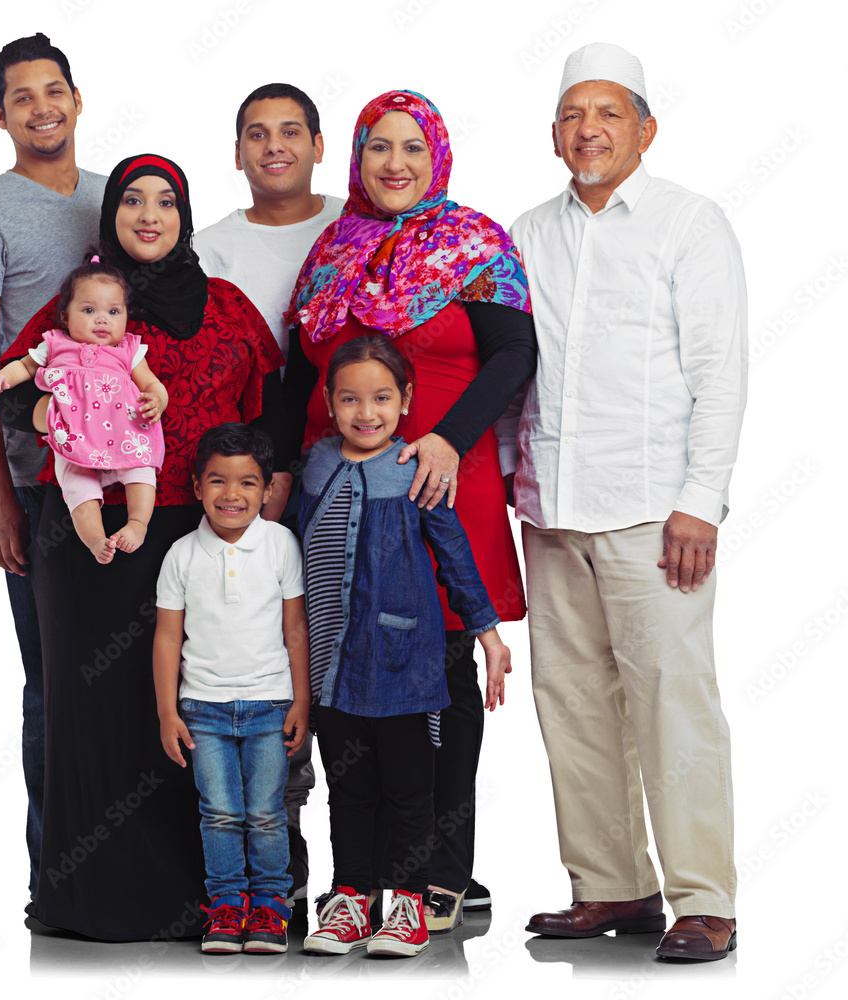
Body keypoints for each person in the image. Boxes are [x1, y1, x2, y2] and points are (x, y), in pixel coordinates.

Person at [0, 153, 286, 941]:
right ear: (111, 216)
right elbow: (14, 391)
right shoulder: (83, 303)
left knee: (194, 702)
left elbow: (274, 401)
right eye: (132, 200)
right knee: (94, 705)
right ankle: (95, 900)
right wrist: (76, 424)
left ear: (185, 215)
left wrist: (272, 479)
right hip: (89, 529)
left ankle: (212, 897)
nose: (149, 214)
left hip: (199, 528)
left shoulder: (224, 305)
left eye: (165, 201)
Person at [498, 42, 746, 961]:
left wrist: (702, 502)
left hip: (654, 512)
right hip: (551, 508)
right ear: (554, 134)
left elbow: (720, 374)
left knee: (673, 703)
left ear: (646, 128)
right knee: (572, 703)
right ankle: (612, 887)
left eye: (609, 113)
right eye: (573, 114)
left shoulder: (689, 224)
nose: (589, 129)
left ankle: (705, 899)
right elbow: (509, 369)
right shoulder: (526, 232)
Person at [285, 89, 536, 929]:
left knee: (443, 678)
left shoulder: (475, 243)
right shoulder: (332, 250)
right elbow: (301, 373)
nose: (395, 164)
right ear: (355, 159)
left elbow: (514, 355)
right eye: (378, 148)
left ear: (438, 158)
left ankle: (440, 871)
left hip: (439, 489)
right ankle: (363, 874)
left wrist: (448, 440)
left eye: (411, 149)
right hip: (337, 498)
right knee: (347, 675)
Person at [0, 32, 105, 907]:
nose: (43, 108)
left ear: (78, 100)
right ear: (0, 115)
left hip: (134, 486)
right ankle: (59, 878)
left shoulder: (120, 200)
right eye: (23, 97)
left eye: (55, 91)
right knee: (56, 680)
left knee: (130, 676)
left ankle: (139, 873)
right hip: (41, 490)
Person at [298, 336, 510, 958]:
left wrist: (488, 635)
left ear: (406, 400)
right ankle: (351, 901)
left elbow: (455, 556)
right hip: (331, 666)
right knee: (349, 789)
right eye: (351, 399)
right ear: (330, 404)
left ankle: (409, 907)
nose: (367, 412)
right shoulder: (314, 467)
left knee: (409, 790)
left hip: (402, 667)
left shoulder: (416, 468)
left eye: (382, 398)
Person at [192, 80, 344, 910]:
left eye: (292, 131)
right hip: (253, 482)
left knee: (335, 650)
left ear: (320, 145)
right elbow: (251, 374)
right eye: (256, 133)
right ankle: (271, 874)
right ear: (239, 150)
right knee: (254, 652)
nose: (274, 146)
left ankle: (389, 864)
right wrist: (263, 475)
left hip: (351, 466)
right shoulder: (214, 246)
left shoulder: (353, 229)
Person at [153, 423, 309, 954]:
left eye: (247, 483)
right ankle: (225, 906)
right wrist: (166, 714)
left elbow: (295, 630)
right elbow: (168, 638)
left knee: (266, 812)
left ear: (267, 490)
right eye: (218, 481)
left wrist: (302, 703)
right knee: (218, 812)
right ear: (196, 487)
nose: (232, 495)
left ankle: (270, 906)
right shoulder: (181, 555)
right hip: (204, 711)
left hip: (269, 704)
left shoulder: (281, 544)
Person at [0, 253, 168, 562]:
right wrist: (4, 376)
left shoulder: (129, 351)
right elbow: (26, 368)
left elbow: (152, 384)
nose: (102, 319)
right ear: (65, 317)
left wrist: (157, 400)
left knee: (142, 471)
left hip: (126, 432)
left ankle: (137, 524)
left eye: (113, 311)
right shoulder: (55, 344)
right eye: (88, 310)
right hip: (74, 437)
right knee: (77, 487)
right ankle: (96, 540)